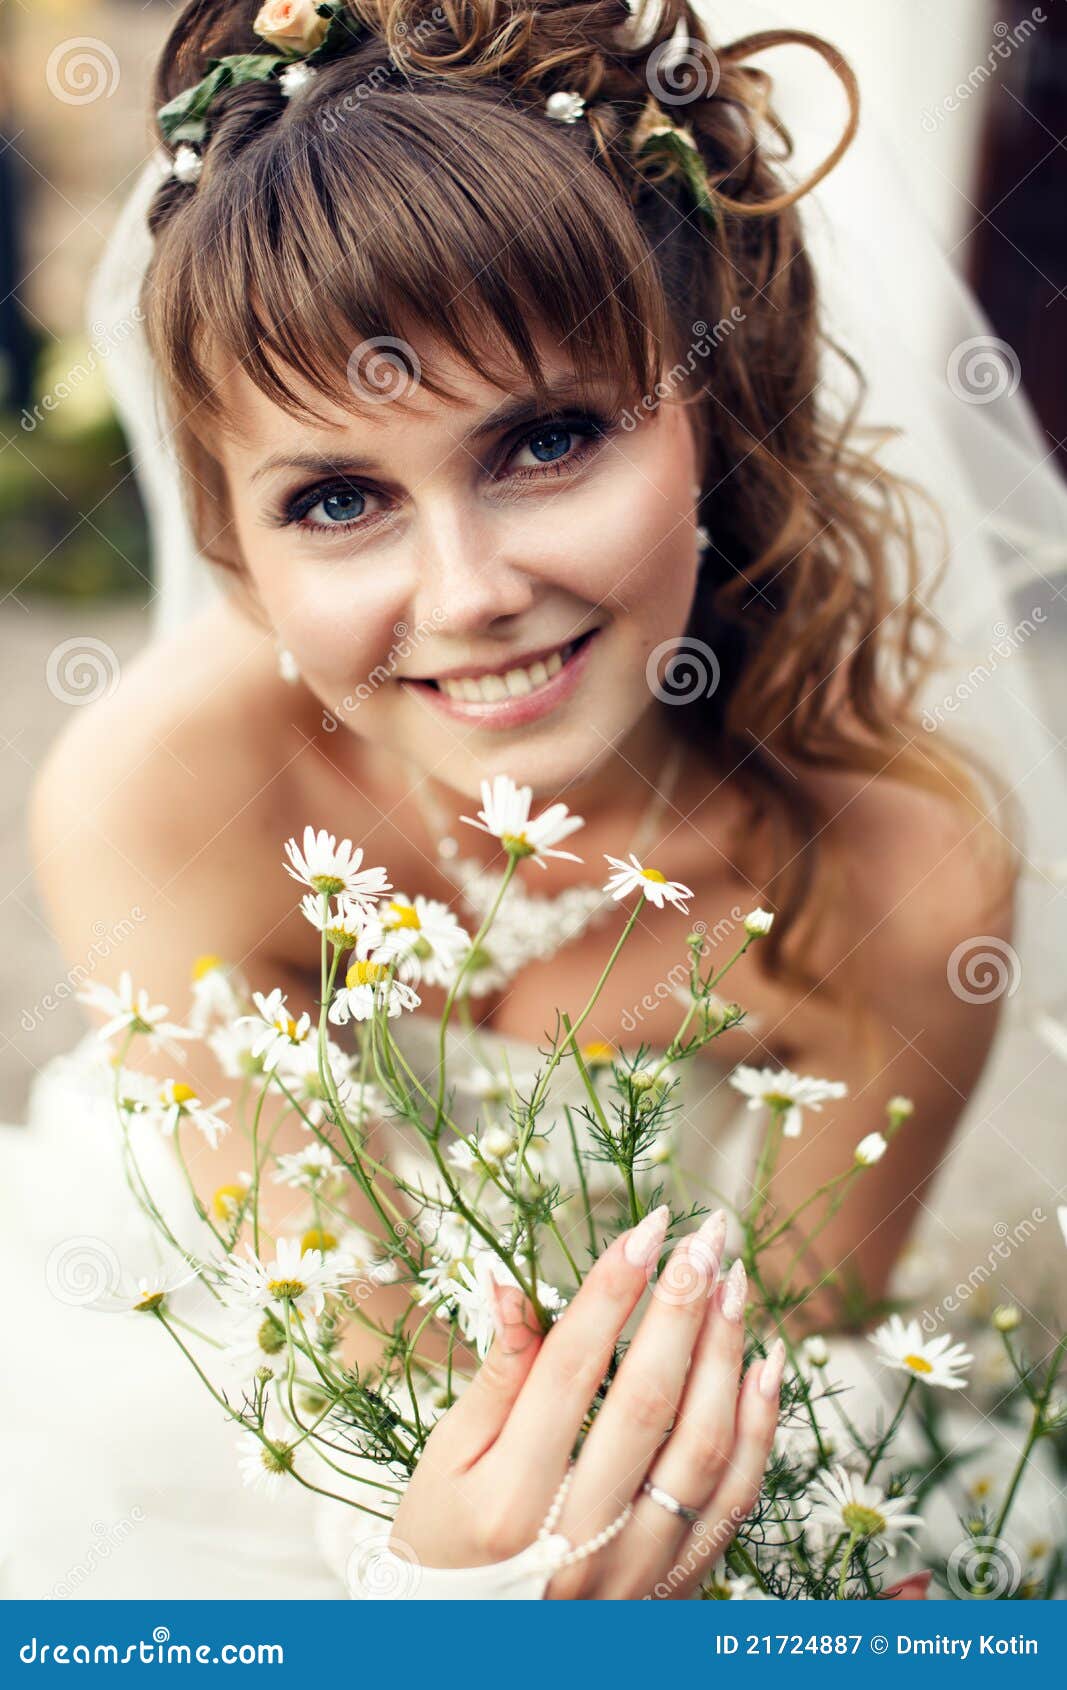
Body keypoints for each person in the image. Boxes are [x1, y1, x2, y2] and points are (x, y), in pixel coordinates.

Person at [16, 0, 1062, 1599]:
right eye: (339, 496)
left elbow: (749, 1417)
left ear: (721, 408)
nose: (470, 589)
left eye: (550, 438)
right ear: (235, 543)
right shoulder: (161, 793)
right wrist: (461, 1600)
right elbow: (346, 1366)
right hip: (225, 1408)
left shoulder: (905, 884)